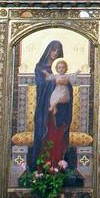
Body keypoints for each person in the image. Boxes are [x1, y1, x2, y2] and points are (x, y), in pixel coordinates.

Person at [29, 40, 64, 169]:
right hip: (44, 107)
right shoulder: (39, 68)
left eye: (58, 51)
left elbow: (66, 86)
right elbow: (41, 85)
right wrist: (53, 79)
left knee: (56, 135)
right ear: (49, 50)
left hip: (58, 109)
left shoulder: (60, 68)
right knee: (43, 133)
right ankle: (40, 167)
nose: (55, 53)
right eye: (53, 50)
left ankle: (56, 166)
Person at [44, 59, 73, 167]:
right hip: (56, 98)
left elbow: (73, 77)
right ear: (57, 69)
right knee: (54, 100)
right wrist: (47, 74)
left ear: (65, 68)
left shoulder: (66, 78)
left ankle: (61, 162)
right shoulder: (55, 78)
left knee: (59, 99)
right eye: (59, 67)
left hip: (63, 103)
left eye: (63, 67)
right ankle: (54, 107)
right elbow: (49, 78)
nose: (61, 69)